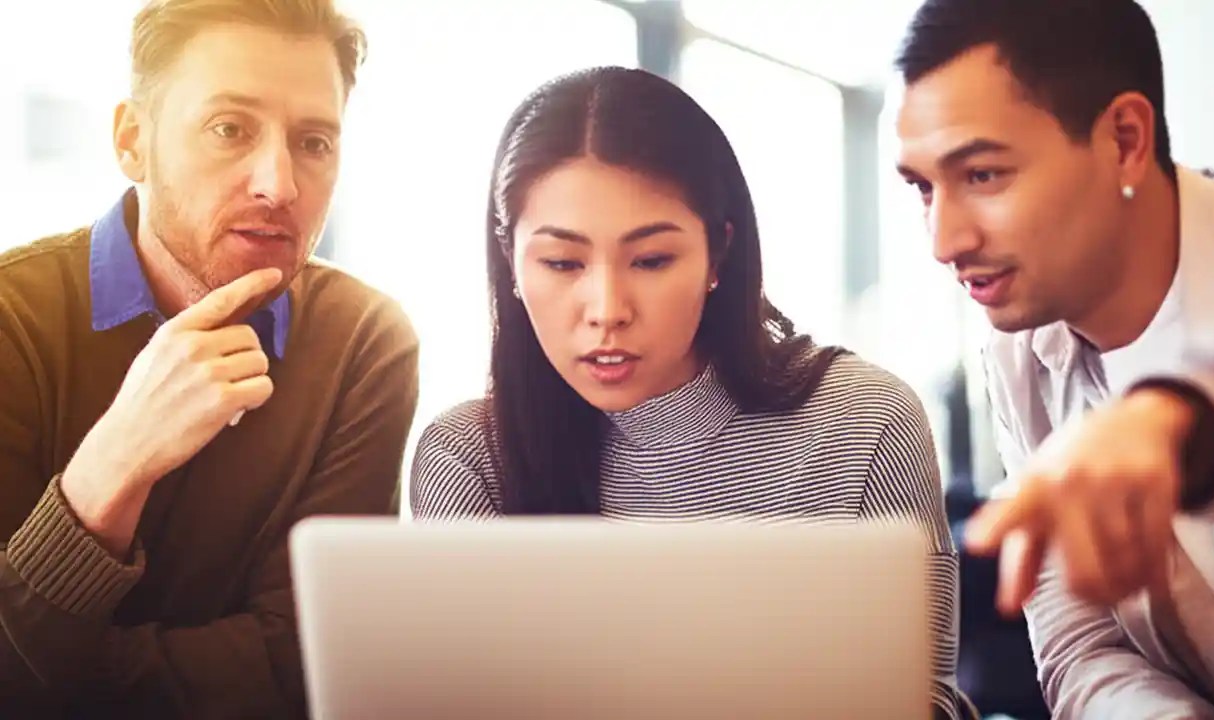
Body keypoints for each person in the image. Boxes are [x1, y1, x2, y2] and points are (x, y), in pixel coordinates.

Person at [410, 65, 962, 718]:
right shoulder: (470, 459)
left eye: (651, 260)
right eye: (562, 263)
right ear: (511, 261)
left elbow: (923, 701)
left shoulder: (862, 420)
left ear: (717, 255)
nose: (607, 310)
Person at [0, 1, 419, 716]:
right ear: (133, 140)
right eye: (230, 129)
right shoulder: (13, 320)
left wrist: (59, 678)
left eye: (314, 142)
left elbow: (305, 664)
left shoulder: (364, 342)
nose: (279, 185)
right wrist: (115, 463)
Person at [893, 0, 1214, 717]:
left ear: (1125, 140)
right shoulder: (1016, 354)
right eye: (922, 187)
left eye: (983, 174)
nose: (944, 243)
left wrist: (1178, 425)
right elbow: (1081, 648)